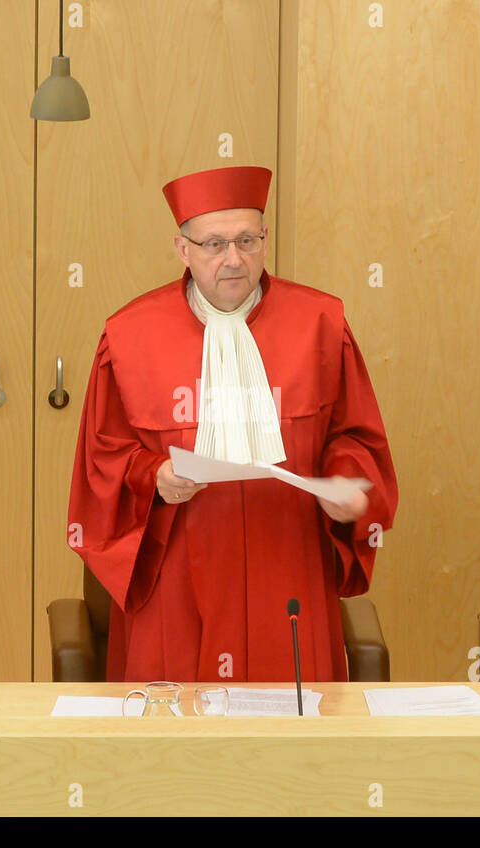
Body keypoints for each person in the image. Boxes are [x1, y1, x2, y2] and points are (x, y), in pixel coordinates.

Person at [68, 165, 398, 682]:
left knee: (288, 742)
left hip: (287, 561)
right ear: (183, 249)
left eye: (247, 240)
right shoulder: (129, 335)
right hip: (176, 573)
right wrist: (152, 475)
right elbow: (103, 456)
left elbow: (355, 437)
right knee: (177, 745)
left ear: (265, 240)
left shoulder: (321, 323)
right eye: (214, 244)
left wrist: (346, 483)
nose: (234, 259)